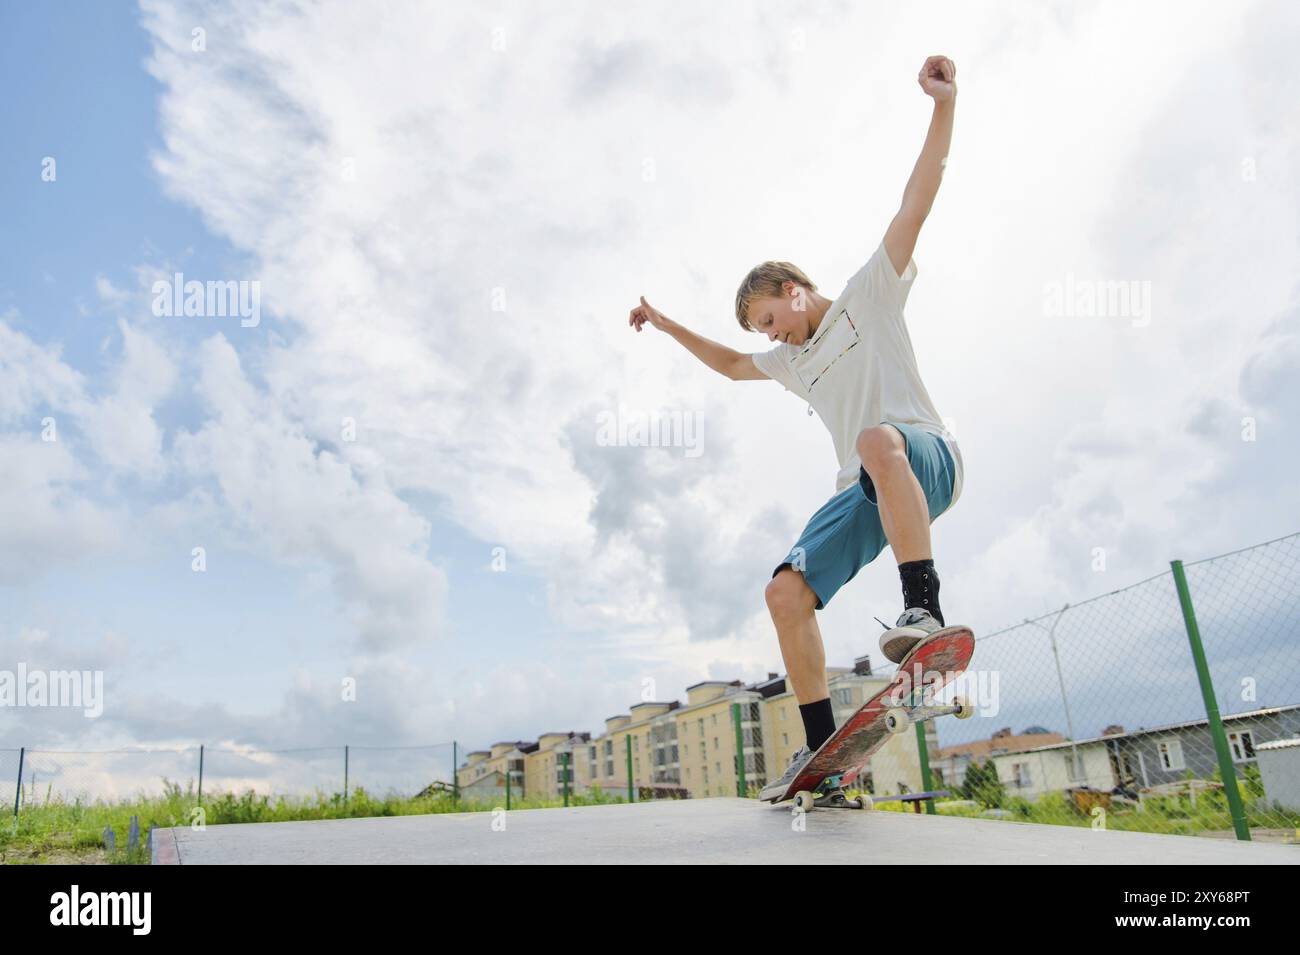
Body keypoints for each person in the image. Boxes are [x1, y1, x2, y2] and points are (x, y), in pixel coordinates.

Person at [628, 56, 965, 800]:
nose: (774, 337)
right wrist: (662, 319)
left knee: (878, 440)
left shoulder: (864, 298)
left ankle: (925, 606)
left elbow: (918, 200)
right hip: (865, 488)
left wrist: (943, 106)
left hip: (925, 458)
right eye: (764, 331)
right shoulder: (790, 364)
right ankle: (825, 760)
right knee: (785, 591)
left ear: (795, 290)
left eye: (773, 320)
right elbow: (727, 364)